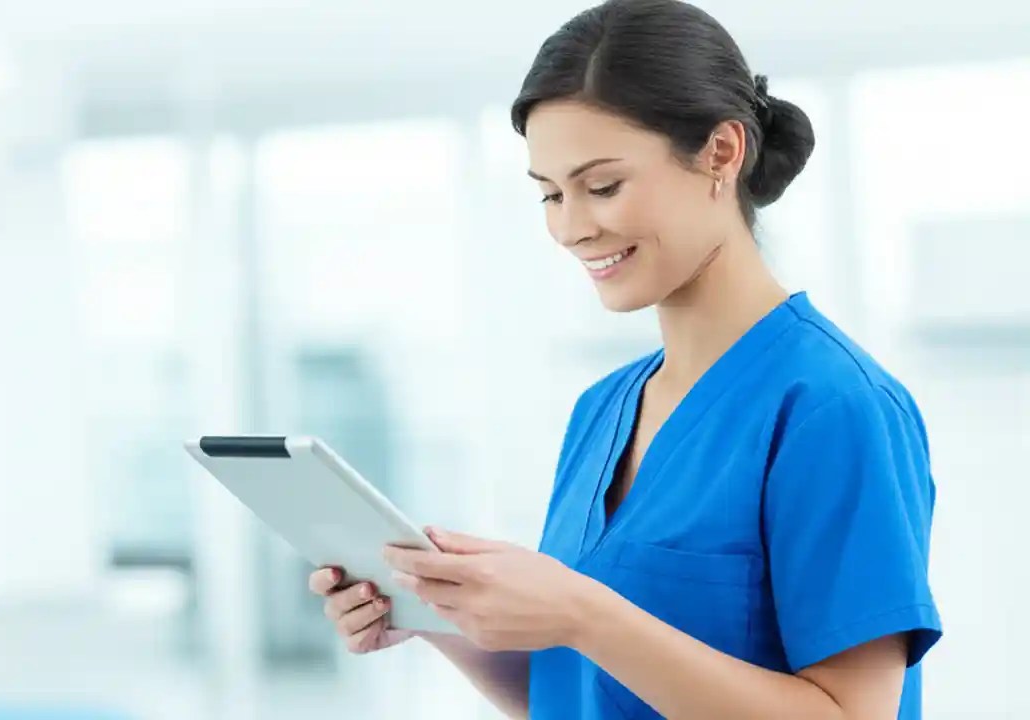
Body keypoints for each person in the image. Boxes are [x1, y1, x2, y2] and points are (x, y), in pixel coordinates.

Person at [308, 0, 943, 717]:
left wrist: (583, 611)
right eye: (550, 195)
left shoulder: (833, 406)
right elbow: (581, 691)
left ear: (722, 153)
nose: (572, 228)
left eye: (602, 186)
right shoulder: (603, 410)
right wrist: (438, 617)